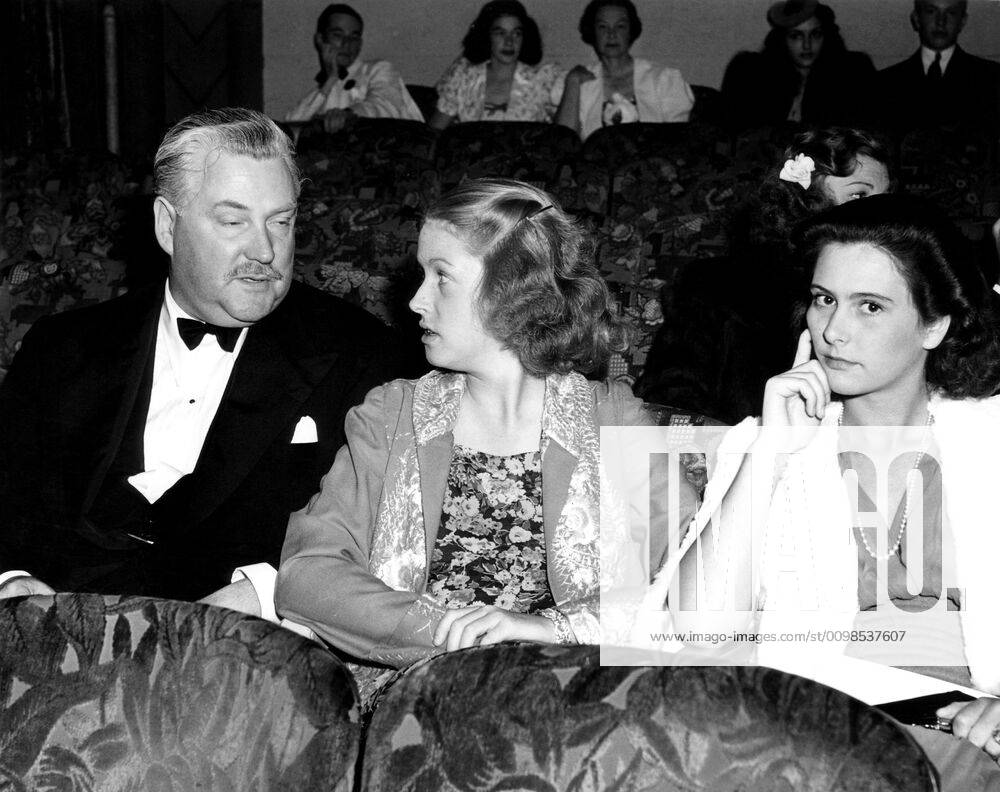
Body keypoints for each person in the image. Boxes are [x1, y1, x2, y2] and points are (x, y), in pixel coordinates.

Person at [270, 178, 697, 696]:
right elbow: (307, 575)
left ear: (511, 289)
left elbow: (695, 584)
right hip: (413, 699)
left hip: (573, 699)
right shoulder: (390, 415)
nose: (415, 301)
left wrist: (549, 631)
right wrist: (448, 632)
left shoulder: (613, 421)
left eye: (441, 277)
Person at [653, 194, 1000, 777]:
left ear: (935, 324)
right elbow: (698, 631)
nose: (833, 330)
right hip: (811, 728)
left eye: (870, 306)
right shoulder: (767, 439)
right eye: (824, 300)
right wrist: (772, 454)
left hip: (966, 733)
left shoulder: (988, 438)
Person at [0, 108, 408, 602]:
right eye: (233, 220)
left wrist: (269, 593)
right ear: (167, 227)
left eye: (281, 221)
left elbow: (396, 533)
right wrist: (12, 580)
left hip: (242, 647)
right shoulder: (62, 346)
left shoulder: (363, 354)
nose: (264, 249)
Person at [638, 126, 893, 423]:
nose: (882, 212)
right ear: (807, 199)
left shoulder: (904, 294)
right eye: (859, 195)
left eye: (886, 198)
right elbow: (669, 405)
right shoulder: (716, 288)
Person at [720, 0, 877, 129]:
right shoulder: (755, 75)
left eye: (815, 34)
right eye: (796, 36)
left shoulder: (851, 74)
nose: (807, 45)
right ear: (782, 40)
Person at [555, 0, 693, 140]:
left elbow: (678, 140)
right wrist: (572, 82)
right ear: (593, 32)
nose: (611, 34)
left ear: (630, 32)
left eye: (620, 26)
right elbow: (565, 142)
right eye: (603, 27)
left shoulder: (663, 79)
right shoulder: (581, 82)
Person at [286, 3, 423, 133]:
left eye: (354, 36)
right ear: (321, 40)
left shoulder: (378, 70)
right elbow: (291, 127)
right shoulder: (319, 93)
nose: (347, 43)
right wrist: (330, 80)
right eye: (338, 35)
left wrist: (348, 115)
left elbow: (384, 105)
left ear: (360, 43)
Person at [429, 1, 564, 130]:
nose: (509, 42)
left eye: (516, 34)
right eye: (501, 33)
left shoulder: (543, 80)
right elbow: (434, 134)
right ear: (487, 36)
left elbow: (566, 137)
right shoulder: (464, 77)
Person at [877, 0, 1000, 133]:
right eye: (931, 11)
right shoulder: (885, 83)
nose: (941, 21)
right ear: (917, 19)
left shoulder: (992, 78)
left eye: (951, 13)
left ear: (963, 21)